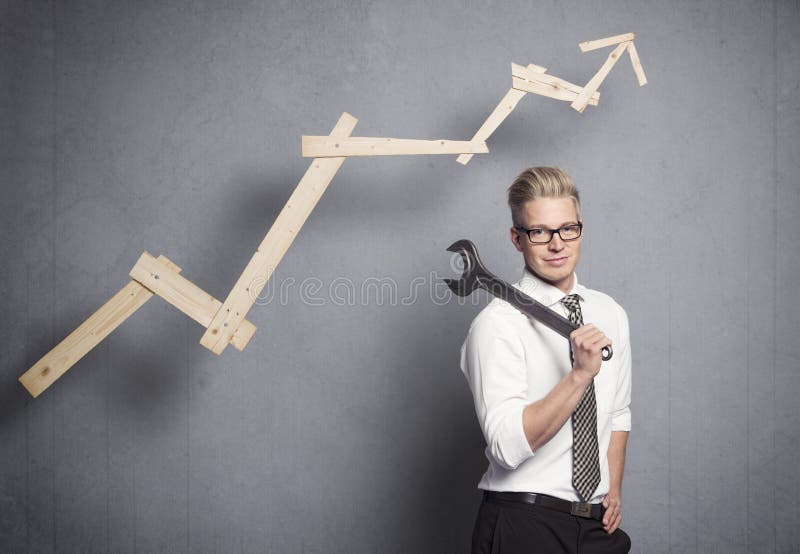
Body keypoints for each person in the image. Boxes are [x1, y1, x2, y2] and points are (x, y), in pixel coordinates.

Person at [460, 167, 632, 553]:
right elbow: (506, 447)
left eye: (567, 228)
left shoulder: (611, 313)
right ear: (517, 239)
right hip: (523, 524)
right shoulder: (497, 325)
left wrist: (612, 489)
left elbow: (618, 414)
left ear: (580, 229)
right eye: (540, 232)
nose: (557, 244)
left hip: (595, 527)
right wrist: (579, 376)